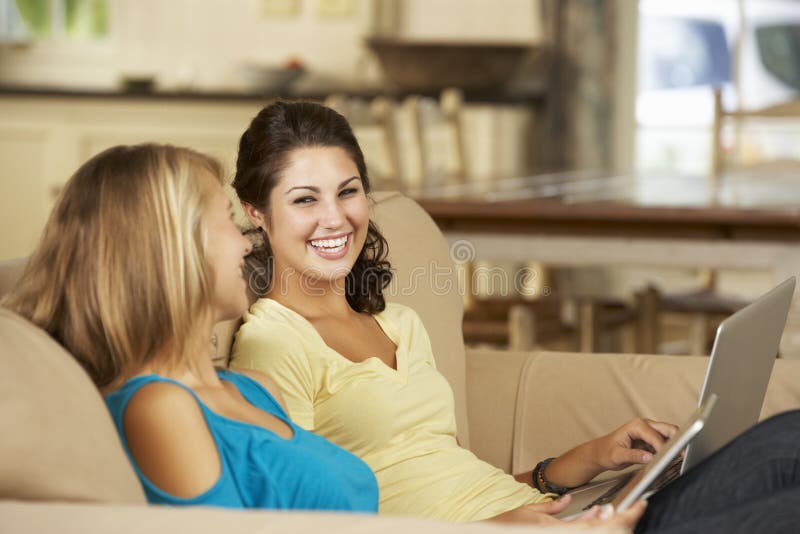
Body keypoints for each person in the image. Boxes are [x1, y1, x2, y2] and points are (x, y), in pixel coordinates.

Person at [228, 101, 800, 531]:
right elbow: (300, 516)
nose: (335, 218)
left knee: (787, 437)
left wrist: (587, 460)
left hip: (548, 520)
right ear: (257, 213)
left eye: (347, 192)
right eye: (305, 199)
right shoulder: (277, 343)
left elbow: (446, 476)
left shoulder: (397, 322)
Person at [2, 143, 378, 513]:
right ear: (175, 248)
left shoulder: (256, 389)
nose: (246, 244)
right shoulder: (158, 408)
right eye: (228, 221)